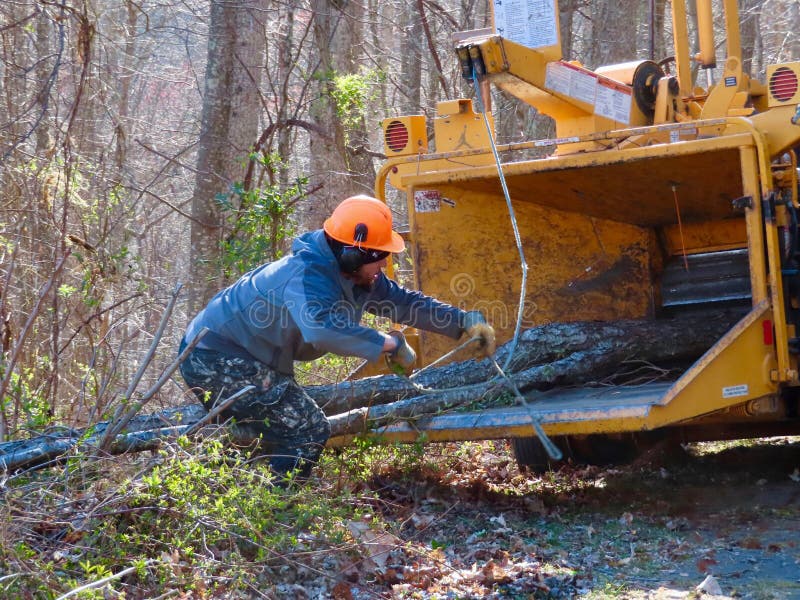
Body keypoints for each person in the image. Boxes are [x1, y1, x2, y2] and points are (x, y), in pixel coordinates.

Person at [179, 195, 495, 480]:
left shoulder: (354, 274)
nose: (385, 263)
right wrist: (388, 343)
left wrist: (462, 322)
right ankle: (276, 515)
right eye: (380, 256)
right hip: (213, 355)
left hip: (245, 357)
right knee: (307, 428)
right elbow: (321, 328)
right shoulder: (307, 275)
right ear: (353, 255)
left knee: (269, 429)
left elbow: (403, 303)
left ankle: (247, 498)